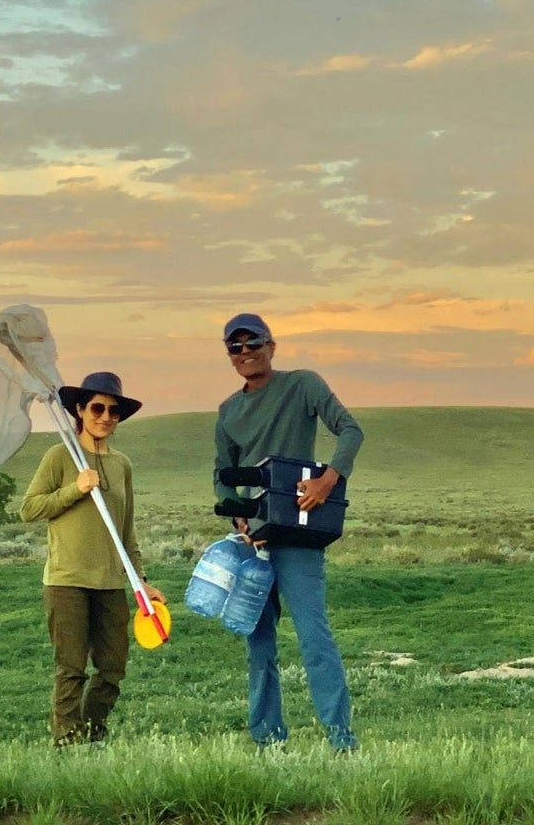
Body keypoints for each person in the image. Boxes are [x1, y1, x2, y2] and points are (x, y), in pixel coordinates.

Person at [213, 313, 363, 753]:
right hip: (254, 541)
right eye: (234, 347)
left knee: (314, 634)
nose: (244, 353)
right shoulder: (228, 412)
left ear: (271, 346)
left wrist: (327, 481)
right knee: (258, 642)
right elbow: (222, 474)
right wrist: (236, 518)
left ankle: (341, 739)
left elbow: (350, 430)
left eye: (252, 343)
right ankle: (267, 738)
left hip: (299, 535)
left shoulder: (303, 385)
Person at [20, 371, 165, 747]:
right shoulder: (60, 456)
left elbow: (126, 530)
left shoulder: (121, 464)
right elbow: (30, 508)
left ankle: (91, 732)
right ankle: (66, 743)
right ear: (80, 410)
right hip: (67, 581)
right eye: (97, 407)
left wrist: (140, 580)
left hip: (112, 583)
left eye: (113, 411)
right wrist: (76, 488)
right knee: (70, 669)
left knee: (113, 669)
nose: (105, 416)